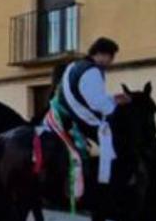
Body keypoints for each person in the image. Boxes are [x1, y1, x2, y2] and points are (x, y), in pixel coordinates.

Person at [50, 37, 130, 188]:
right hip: (80, 119)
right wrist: (114, 106)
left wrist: (112, 98)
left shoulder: (75, 65)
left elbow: (84, 96)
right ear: (101, 54)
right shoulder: (92, 71)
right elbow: (97, 103)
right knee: (115, 141)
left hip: (64, 114)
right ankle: (106, 181)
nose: (111, 62)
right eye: (111, 57)